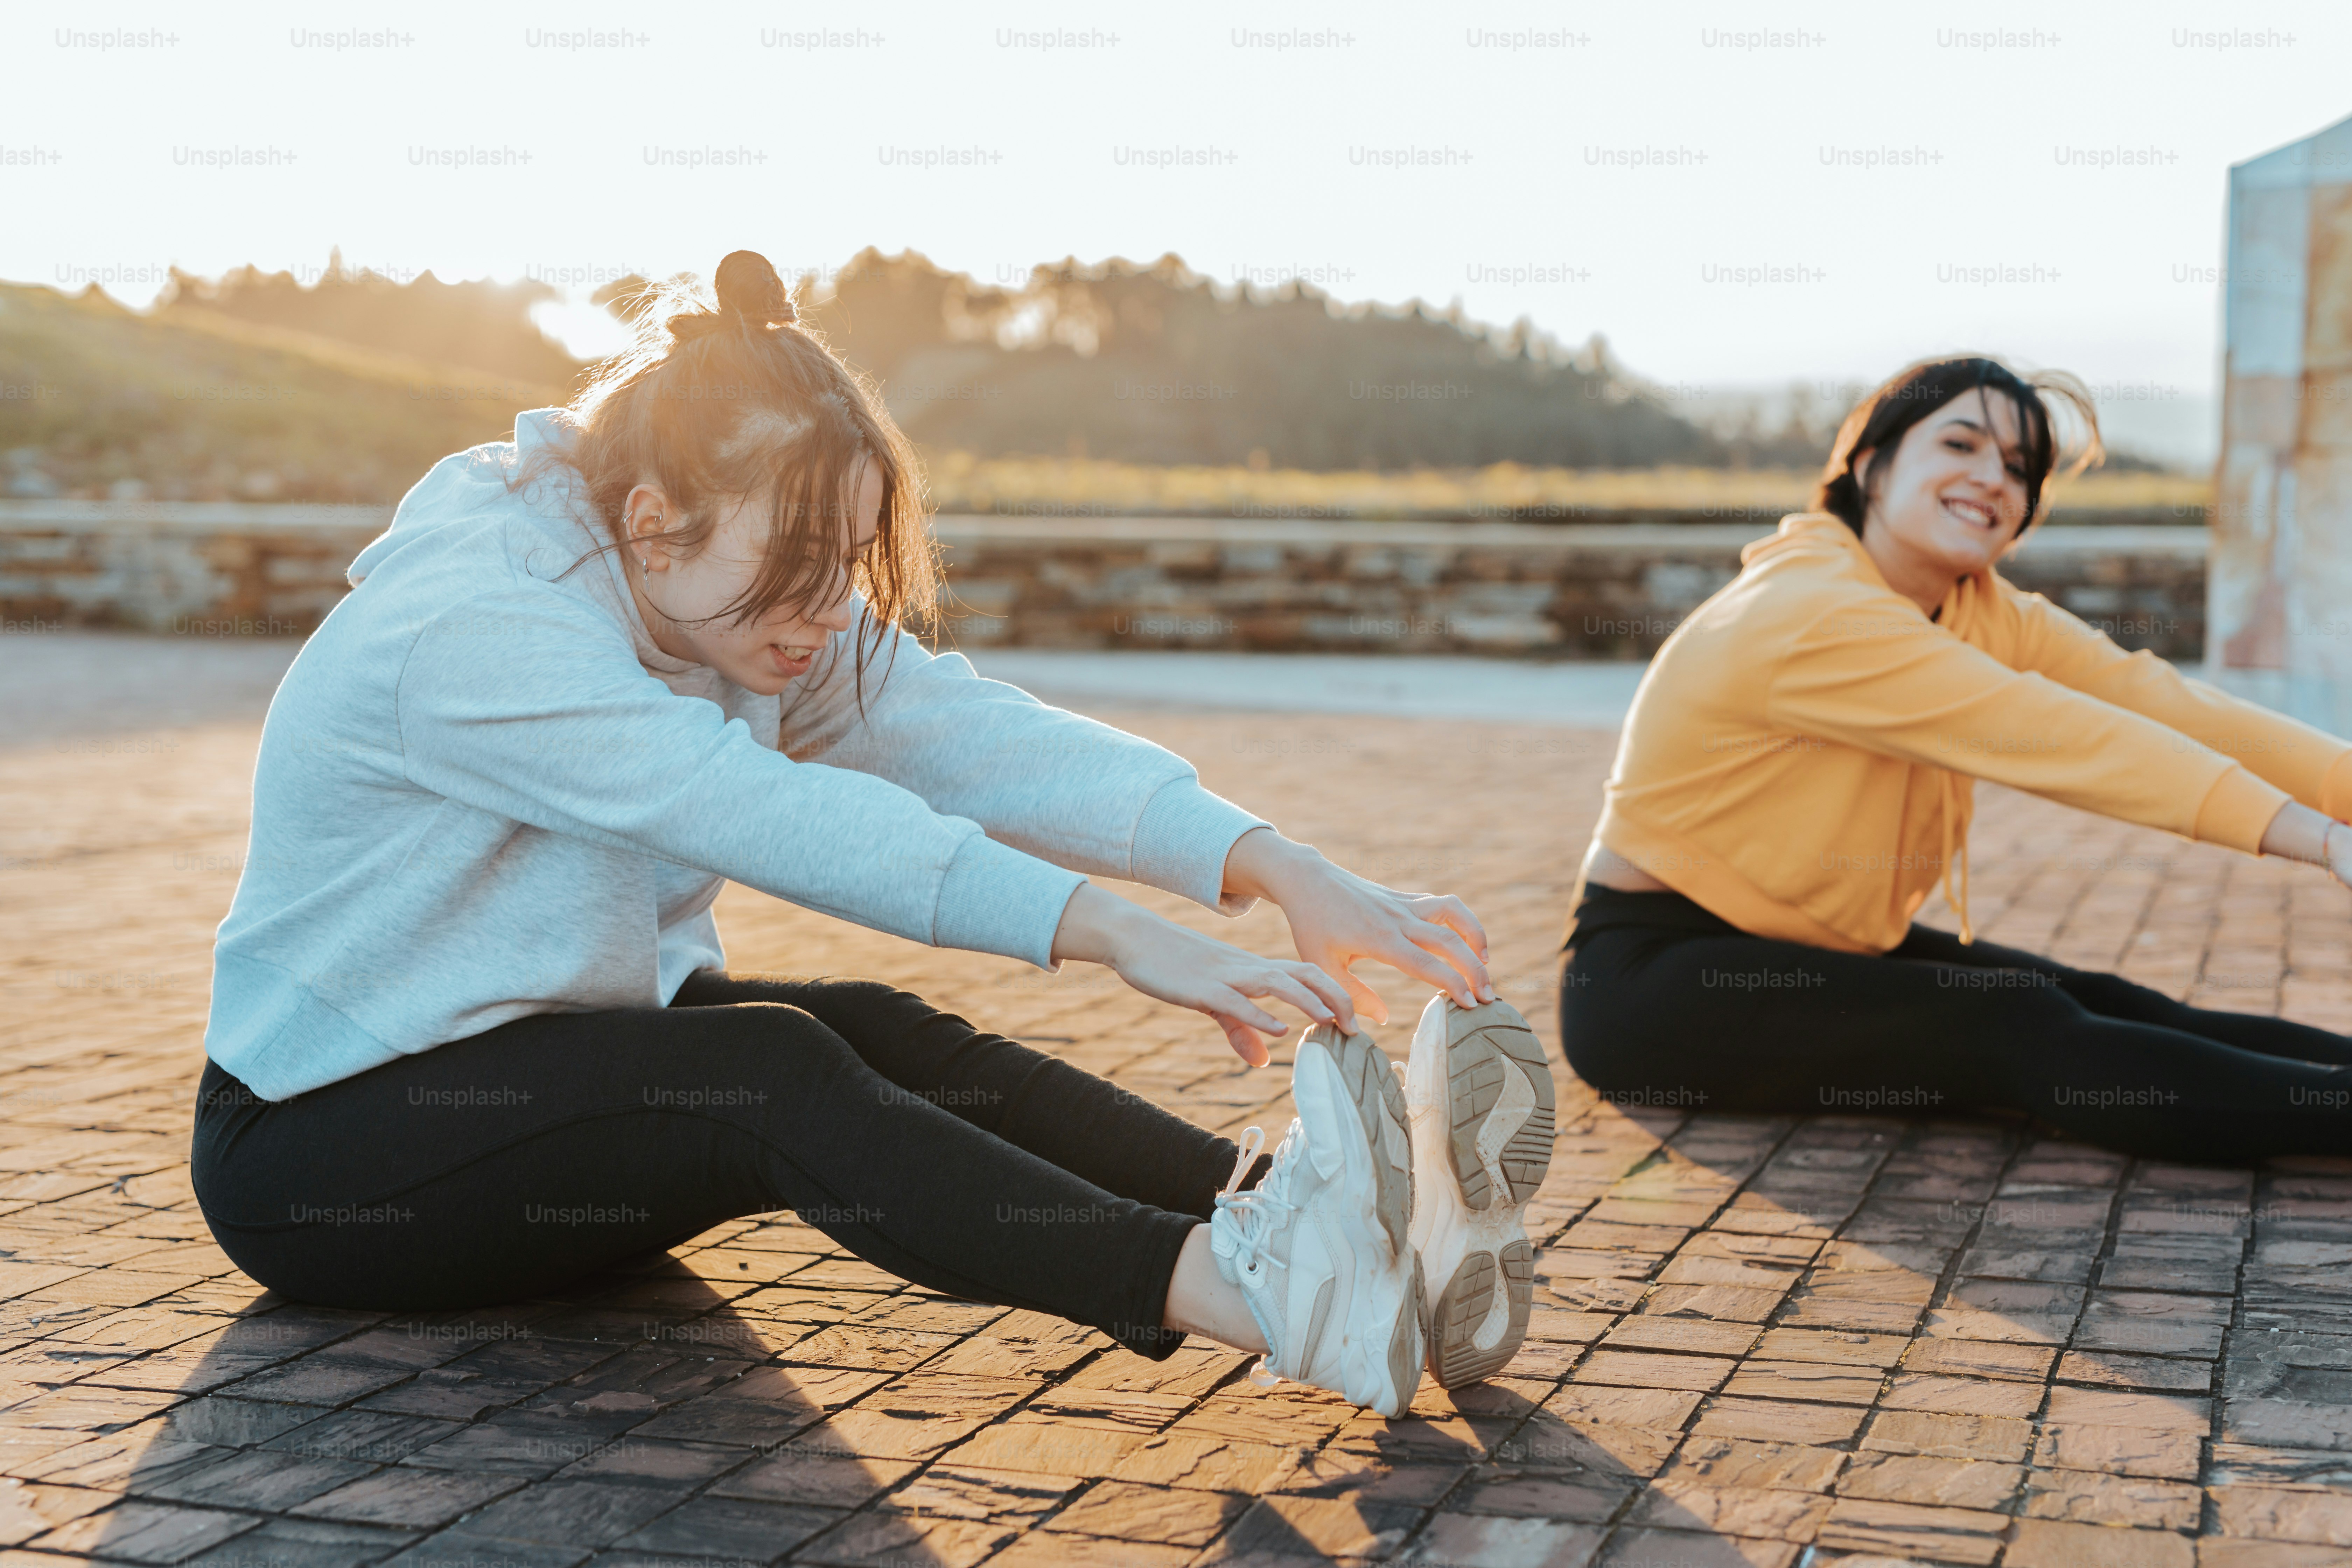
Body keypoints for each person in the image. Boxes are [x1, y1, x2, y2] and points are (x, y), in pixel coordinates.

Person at [188, 250, 1547, 1418]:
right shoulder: (481, 630)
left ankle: (1284, 1207)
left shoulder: (723, 595)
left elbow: (967, 735)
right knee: (760, 1066)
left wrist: (1275, 864)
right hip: (323, 1155)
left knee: (881, 1031)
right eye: (801, 572)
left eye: (849, 562)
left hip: (530, 1064)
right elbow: (767, 812)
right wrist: (1125, 938)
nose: (834, 610)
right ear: (655, 529)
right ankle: (1267, 1300)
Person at [1561, 355, 2352, 1164]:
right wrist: (2323, 841)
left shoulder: (1977, 608)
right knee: (2016, 1023)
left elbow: (2162, 705)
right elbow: (2067, 735)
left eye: (2019, 467)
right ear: (1870, 462)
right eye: (1962, 444)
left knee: (2099, 999)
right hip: (1656, 980)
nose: (1994, 479)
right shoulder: (1813, 612)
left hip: (1809, 946)